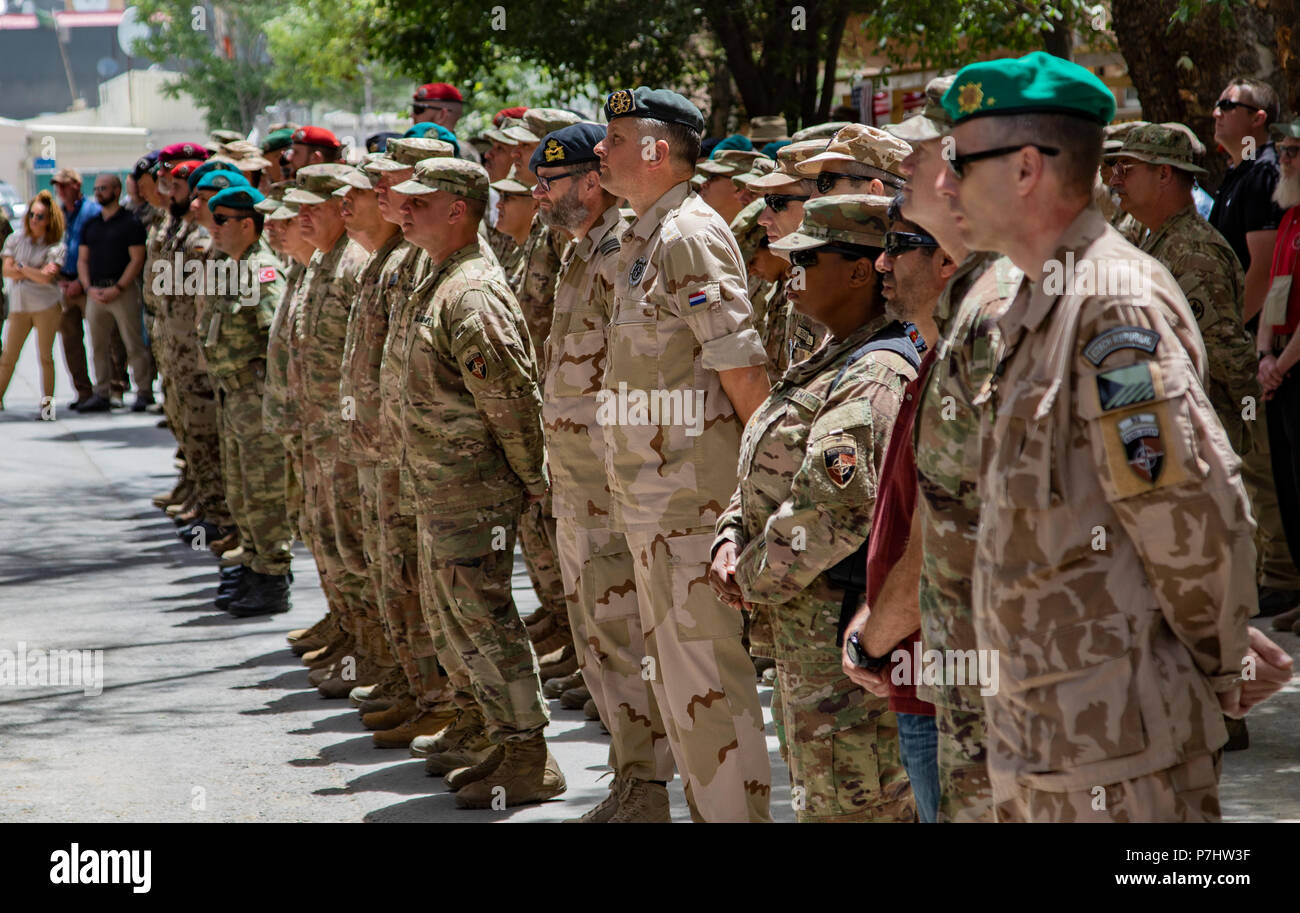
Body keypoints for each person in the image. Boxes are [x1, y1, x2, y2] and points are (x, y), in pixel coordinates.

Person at [937, 51, 1258, 822]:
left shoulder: (1111, 305)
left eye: (959, 161)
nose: (946, 183)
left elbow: (1192, 517)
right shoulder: (1026, 302)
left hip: (1126, 754)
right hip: (1043, 745)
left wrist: (1214, 673)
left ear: (1024, 169)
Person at [593, 86, 772, 822]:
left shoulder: (688, 234)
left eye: (612, 138)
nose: (599, 150)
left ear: (656, 151)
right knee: (680, 691)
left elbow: (745, 375)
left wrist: (758, 498)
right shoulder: (646, 236)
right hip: (655, 508)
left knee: (712, 695)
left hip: (693, 508)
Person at [710, 194, 919, 822]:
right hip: (804, 635)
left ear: (861, 271)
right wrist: (727, 532)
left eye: (811, 257)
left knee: (853, 808)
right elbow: (763, 467)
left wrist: (745, 575)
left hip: (839, 640)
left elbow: (833, 514)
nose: (792, 269)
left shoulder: (873, 371)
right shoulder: (826, 357)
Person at [391, 156, 565, 809]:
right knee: (462, 619)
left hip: (474, 489)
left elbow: (511, 398)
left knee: (487, 618)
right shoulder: (441, 278)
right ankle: (496, 734)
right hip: (444, 485)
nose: (403, 209)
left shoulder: (471, 291)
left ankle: (529, 756)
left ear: (458, 209)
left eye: (419, 200)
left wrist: (533, 479)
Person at [529, 122, 675, 820]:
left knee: (624, 636)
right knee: (598, 637)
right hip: (580, 486)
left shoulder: (621, 253)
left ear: (591, 181)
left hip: (614, 489)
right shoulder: (580, 254)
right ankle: (630, 778)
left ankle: (647, 786)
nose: (540, 194)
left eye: (551, 182)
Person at [1107, 123, 1291, 633]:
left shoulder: (1191, 251)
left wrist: (1248, 427)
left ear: (1164, 175)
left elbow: (1227, 351)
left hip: (1201, 437)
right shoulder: (1154, 238)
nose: (1115, 178)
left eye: (1128, 168)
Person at [838, 200, 954, 824]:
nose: (881, 262)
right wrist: (874, 614)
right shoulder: (931, 363)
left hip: (947, 688)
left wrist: (871, 641)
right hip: (922, 675)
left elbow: (941, 540)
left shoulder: (961, 371)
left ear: (947, 261)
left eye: (899, 245)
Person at [334, 163, 455, 747]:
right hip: (382, 448)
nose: (385, 194)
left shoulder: (418, 261)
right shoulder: (393, 259)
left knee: (414, 577)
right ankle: (416, 685)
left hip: (410, 454)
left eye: (394, 181)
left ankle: (440, 698)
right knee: (394, 573)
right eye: (375, 184)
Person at [284, 163, 394, 698]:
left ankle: (378, 654)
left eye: (316, 206)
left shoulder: (354, 264)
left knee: (359, 549)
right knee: (334, 540)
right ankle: (356, 637)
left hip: (352, 439)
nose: (303, 217)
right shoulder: (326, 262)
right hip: (324, 432)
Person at [199, 184, 293, 616]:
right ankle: (254, 565)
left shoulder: (262, 271)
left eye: (222, 221)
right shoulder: (233, 267)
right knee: (240, 491)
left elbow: (280, 340)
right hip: (233, 395)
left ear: (247, 225)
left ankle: (272, 577)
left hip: (255, 398)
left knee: (264, 492)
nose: (213, 228)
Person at [1258, 117, 1300, 634]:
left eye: (1294, 152)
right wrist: (1264, 354)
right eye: (1282, 150)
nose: (1283, 160)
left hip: (1293, 369)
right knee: (1288, 485)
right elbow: (1275, 291)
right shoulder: (1289, 214)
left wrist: (1279, 364)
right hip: (1282, 371)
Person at [1209, 77, 1283, 324]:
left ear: (1257, 118)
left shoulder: (1264, 173)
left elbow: (1264, 270)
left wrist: (1230, 330)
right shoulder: (1243, 170)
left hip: (1248, 337)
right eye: (1217, 105)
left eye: (1227, 105)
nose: (1216, 113)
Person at [74, 174, 151, 413]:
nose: (98, 192)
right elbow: (82, 260)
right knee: (98, 346)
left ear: (117, 190)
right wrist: (88, 288)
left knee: (133, 344)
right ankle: (102, 393)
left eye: (103, 188)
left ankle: (144, 392)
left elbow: (137, 259)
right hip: (95, 293)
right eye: (96, 188)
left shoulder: (131, 223)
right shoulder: (91, 224)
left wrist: (118, 288)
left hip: (123, 292)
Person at [0, 191, 66, 418]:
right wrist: (32, 271)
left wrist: (22, 268)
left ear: (49, 220)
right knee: (8, 356)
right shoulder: (15, 239)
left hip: (46, 305)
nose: (34, 220)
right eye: (31, 215)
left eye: (40, 216)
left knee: (45, 357)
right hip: (20, 306)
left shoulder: (56, 245)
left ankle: (47, 408)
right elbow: (6, 270)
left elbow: (46, 277)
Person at [51, 168, 100, 410]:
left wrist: (82, 282)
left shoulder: (92, 211)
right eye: (57, 185)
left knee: (101, 339)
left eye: (64, 185)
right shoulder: (59, 214)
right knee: (70, 341)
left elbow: (100, 249)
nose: (60, 190)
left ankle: (108, 390)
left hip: (88, 283)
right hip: (64, 282)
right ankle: (83, 391)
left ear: (77, 185)